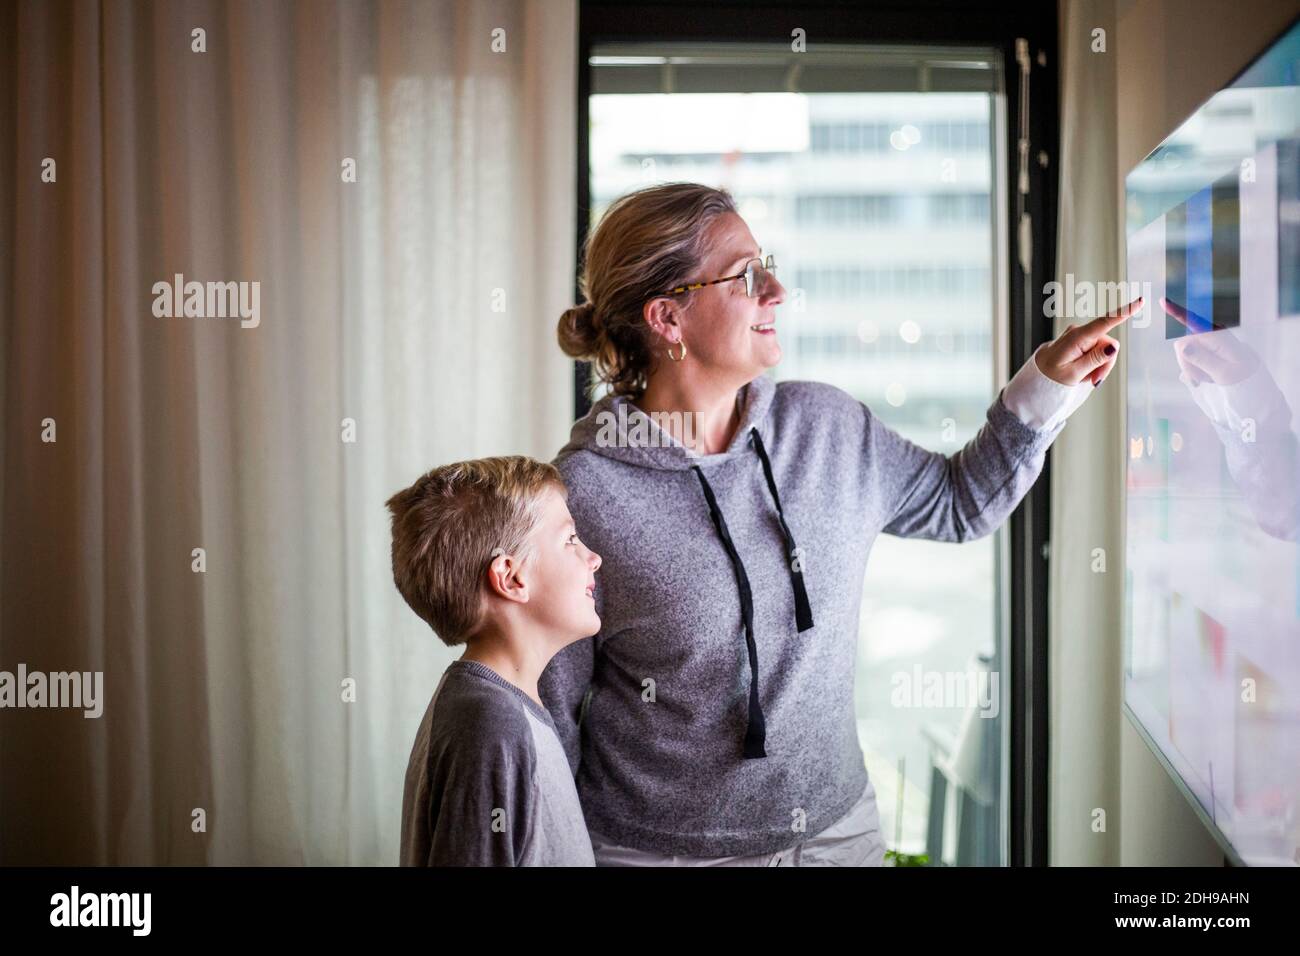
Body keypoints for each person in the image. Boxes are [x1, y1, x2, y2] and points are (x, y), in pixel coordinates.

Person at [540, 181, 1135, 866]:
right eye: (745, 276)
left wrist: (1045, 386)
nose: (777, 291)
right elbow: (548, 708)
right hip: (658, 853)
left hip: (837, 835)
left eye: (766, 263)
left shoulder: (824, 427)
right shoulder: (584, 493)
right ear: (668, 319)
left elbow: (958, 503)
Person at [388, 456, 602, 865]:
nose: (593, 558)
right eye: (571, 540)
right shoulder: (490, 726)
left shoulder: (502, 707)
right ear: (511, 578)